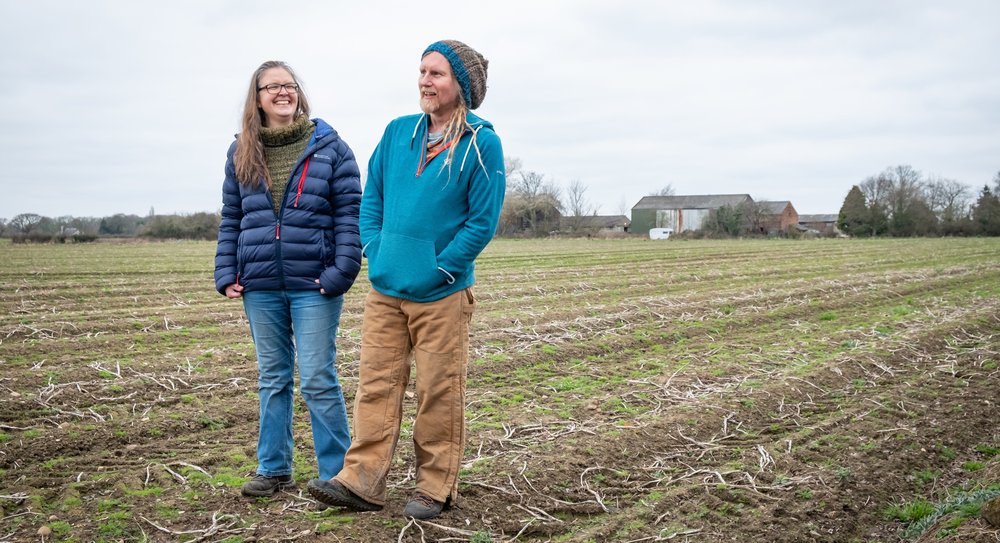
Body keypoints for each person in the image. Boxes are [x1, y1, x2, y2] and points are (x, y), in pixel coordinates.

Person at [307, 40, 505, 519]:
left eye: (437, 73)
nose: (425, 81)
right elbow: (371, 198)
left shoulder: (481, 143)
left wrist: (442, 267)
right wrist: (375, 249)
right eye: (422, 71)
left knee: (439, 391)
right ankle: (361, 480)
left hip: (442, 293)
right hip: (386, 290)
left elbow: (481, 222)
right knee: (376, 385)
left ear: (462, 85)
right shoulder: (397, 132)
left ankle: (434, 487)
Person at [214, 60, 362, 498]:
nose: (283, 92)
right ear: (257, 98)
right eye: (272, 86)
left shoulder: (331, 148)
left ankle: (339, 475)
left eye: (289, 84)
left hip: (314, 283)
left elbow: (350, 216)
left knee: (317, 377)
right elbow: (232, 217)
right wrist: (226, 271)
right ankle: (274, 468)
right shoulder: (241, 151)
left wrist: (342, 271)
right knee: (273, 378)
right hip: (259, 283)